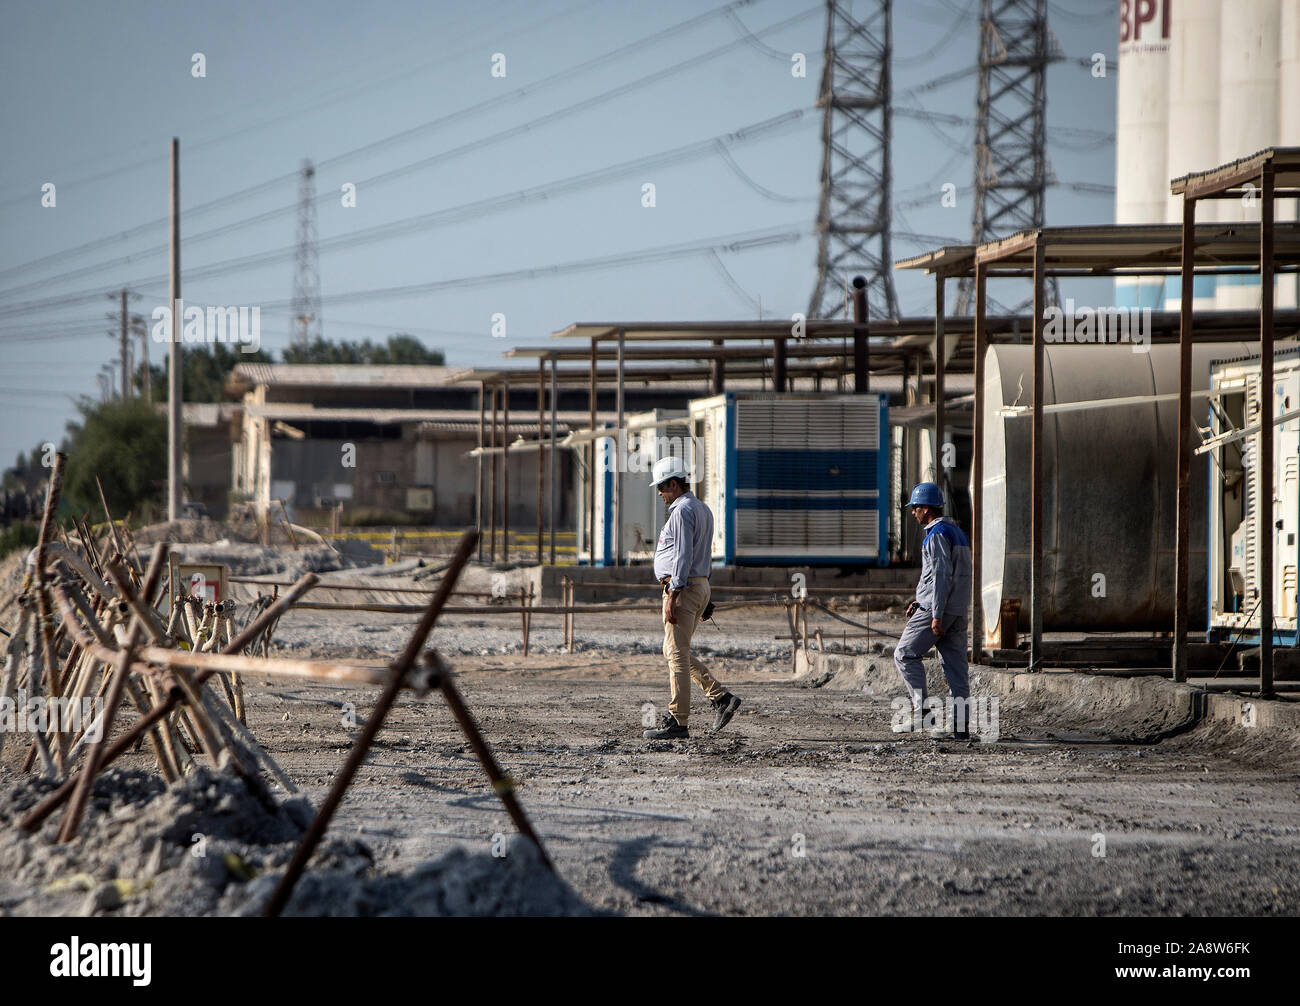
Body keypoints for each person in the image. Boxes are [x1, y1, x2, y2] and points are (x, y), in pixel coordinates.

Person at [642, 456, 742, 740]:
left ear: (674, 483)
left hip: (683, 588)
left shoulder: (682, 511)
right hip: (697, 585)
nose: (659, 493)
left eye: (661, 487)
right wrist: (704, 594)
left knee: (675, 655)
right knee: (675, 651)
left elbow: (684, 555)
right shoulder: (702, 508)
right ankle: (721, 698)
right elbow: (701, 554)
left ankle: (678, 722)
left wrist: (673, 592)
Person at [894, 481, 973, 738]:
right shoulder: (958, 533)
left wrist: (935, 614)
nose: (914, 512)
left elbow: (940, 575)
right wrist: (920, 600)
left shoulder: (936, 534)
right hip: (957, 610)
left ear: (926, 508)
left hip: (936, 610)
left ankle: (923, 714)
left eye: (915, 508)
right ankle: (961, 728)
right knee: (956, 669)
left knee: (905, 654)